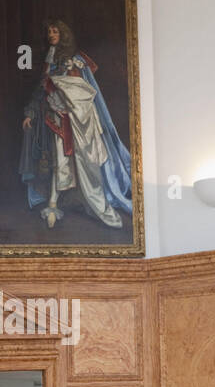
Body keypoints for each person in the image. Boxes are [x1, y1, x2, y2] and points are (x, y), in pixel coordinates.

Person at [19, 19, 133, 229]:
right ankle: (53, 203)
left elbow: (83, 90)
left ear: (63, 34)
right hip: (54, 118)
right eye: (49, 32)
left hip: (78, 121)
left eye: (55, 31)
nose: (51, 34)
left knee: (81, 163)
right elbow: (42, 88)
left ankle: (84, 202)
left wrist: (67, 78)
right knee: (58, 161)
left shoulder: (75, 60)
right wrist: (30, 112)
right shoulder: (49, 60)